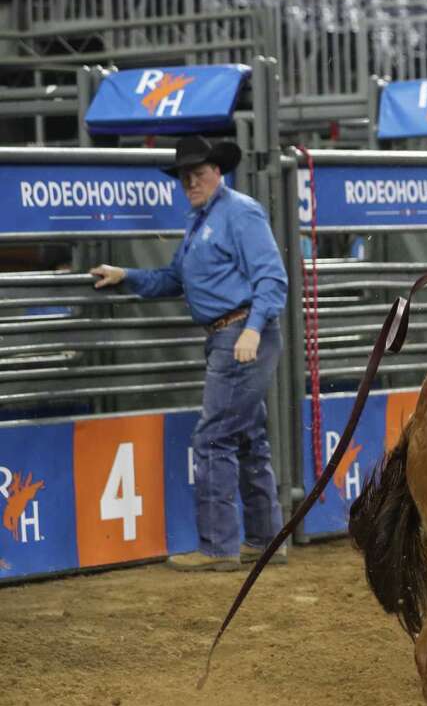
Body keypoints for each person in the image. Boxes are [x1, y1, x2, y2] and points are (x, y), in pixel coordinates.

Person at [89, 136, 289, 572]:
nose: (190, 182)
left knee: (214, 436)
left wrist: (252, 329)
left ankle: (218, 547)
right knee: (247, 437)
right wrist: (126, 275)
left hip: (239, 334)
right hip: (231, 334)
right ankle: (264, 539)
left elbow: (272, 278)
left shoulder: (238, 212)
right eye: (184, 176)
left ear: (218, 171)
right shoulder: (202, 221)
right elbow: (172, 278)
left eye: (198, 173)